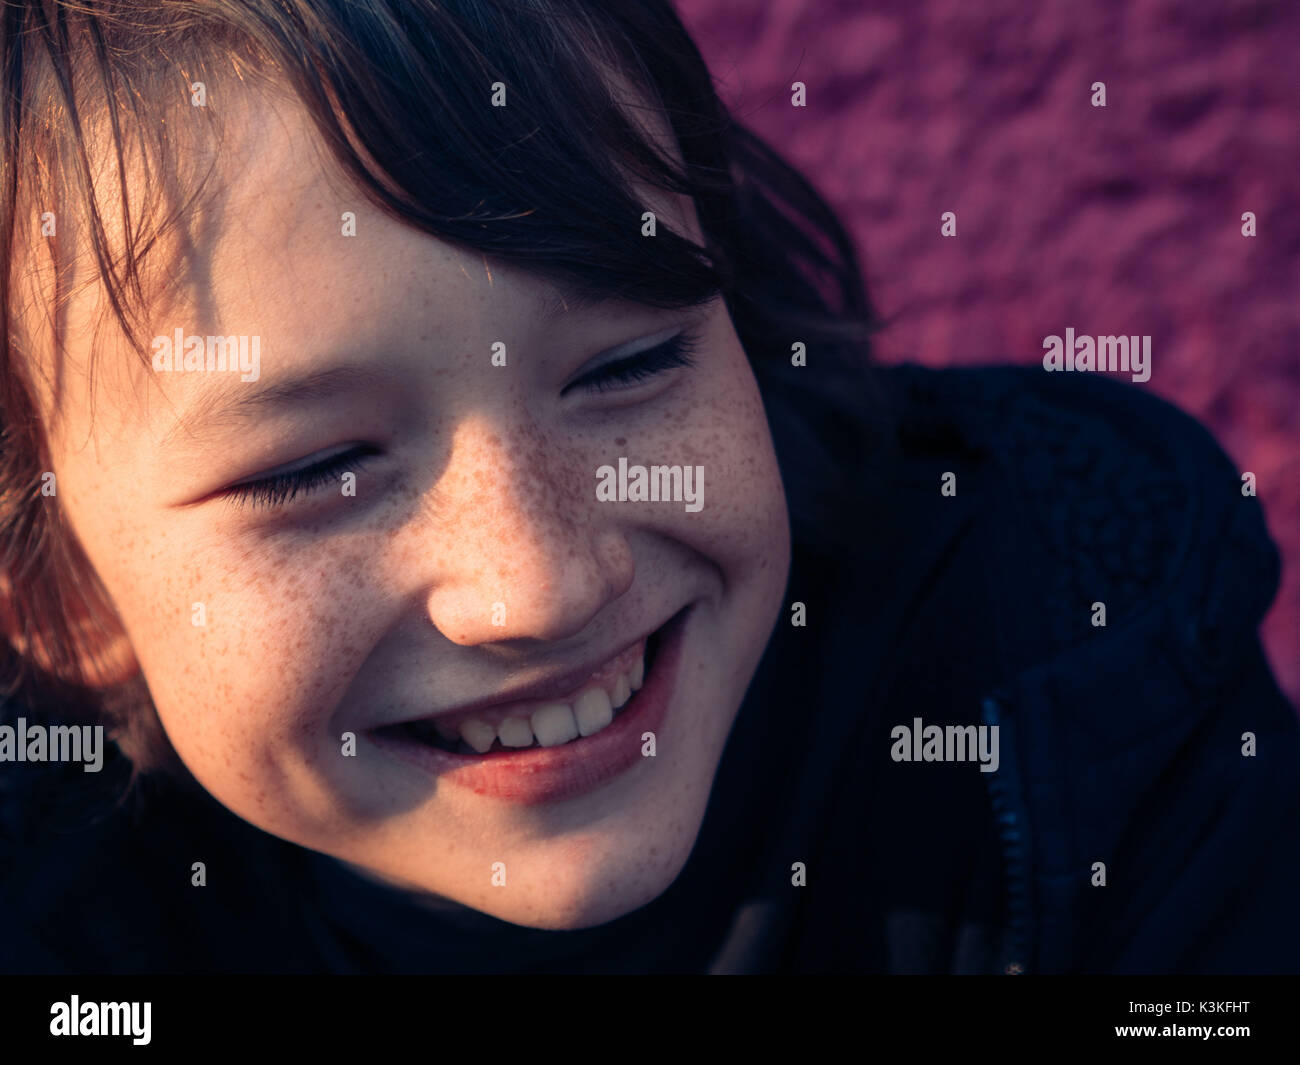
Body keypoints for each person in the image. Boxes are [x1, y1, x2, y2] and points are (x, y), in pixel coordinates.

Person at [1, 0, 1296, 974]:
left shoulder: (1077, 647)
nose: (544, 585)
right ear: (61, 597)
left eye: (627, 366)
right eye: (316, 467)